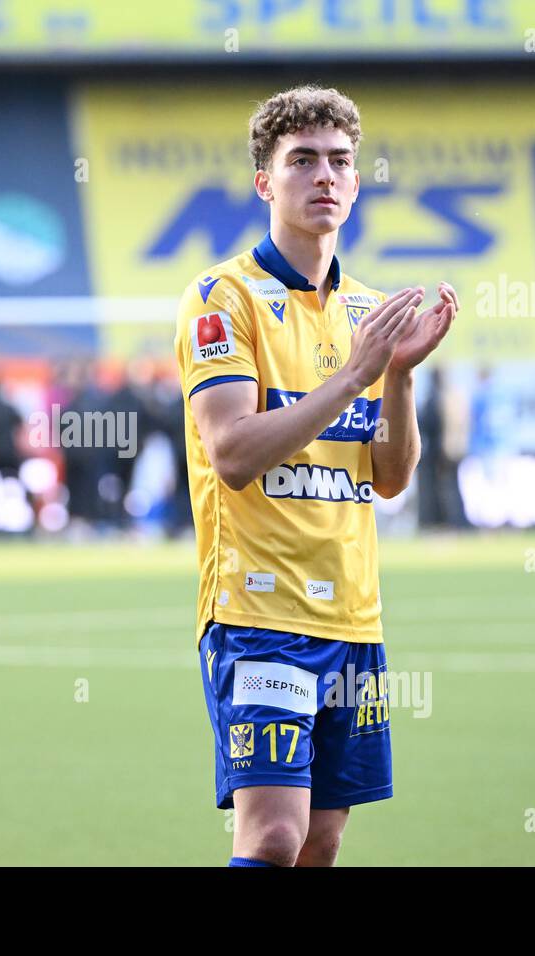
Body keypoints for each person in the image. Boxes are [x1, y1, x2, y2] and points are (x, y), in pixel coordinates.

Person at [174, 85, 458, 866]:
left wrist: (396, 378)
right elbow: (231, 453)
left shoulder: (371, 311)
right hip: (259, 612)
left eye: (339, 161)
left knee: (320, 844)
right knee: (272, 834)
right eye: (302, 161)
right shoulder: (222, 296)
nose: (324, 176)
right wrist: (352, 376)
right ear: (265, 181)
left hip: (353, 619)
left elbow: (391, 479)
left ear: (358, 182)